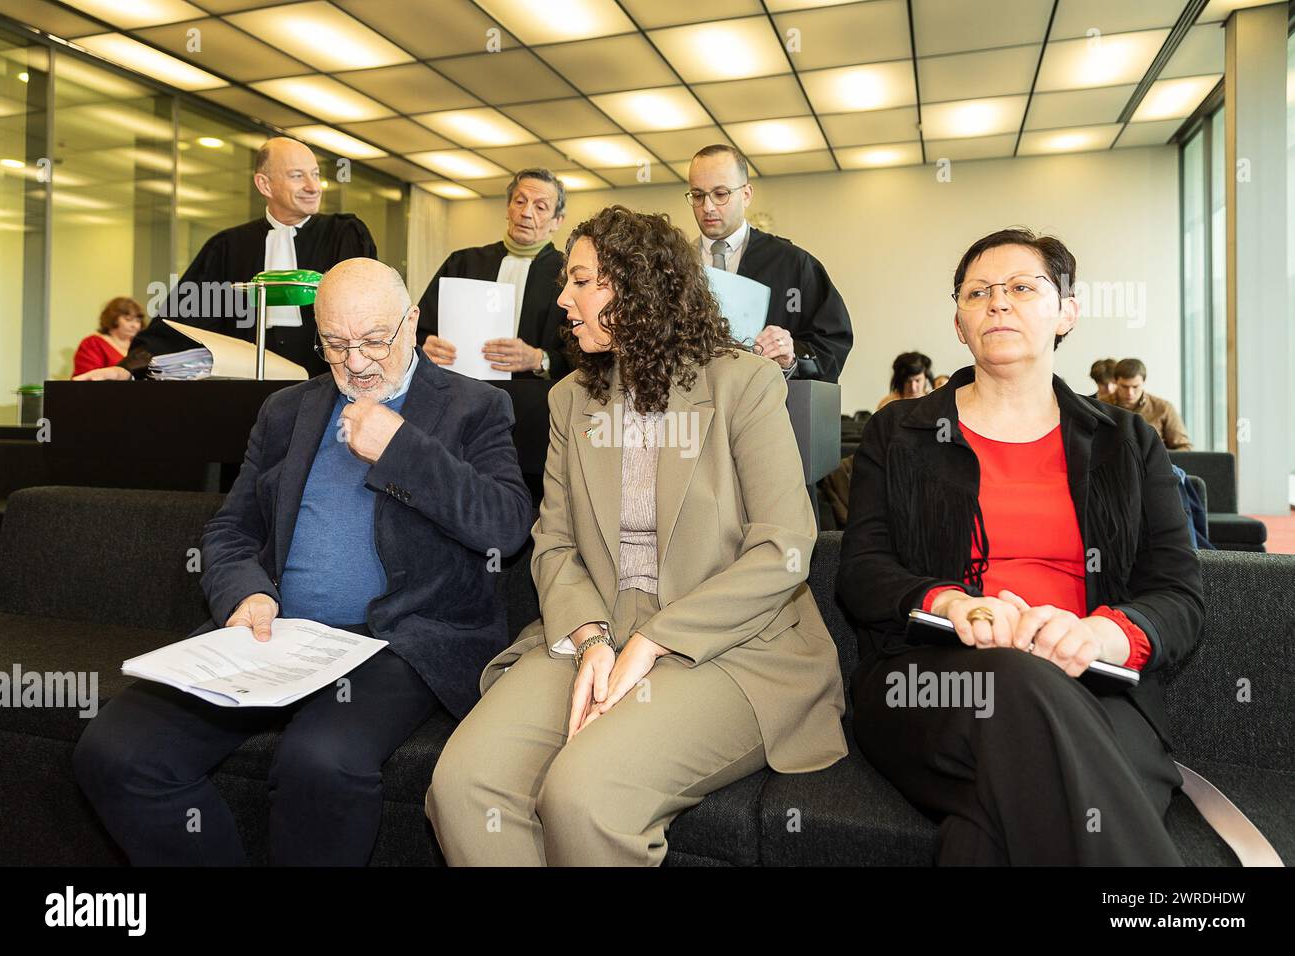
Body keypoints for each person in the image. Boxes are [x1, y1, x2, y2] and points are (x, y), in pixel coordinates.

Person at [73, 258, 533, 865]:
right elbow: (232, 528)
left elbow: (504, 525)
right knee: (116, 751)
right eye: (337, 345)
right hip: (274, 635)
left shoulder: (473, 406)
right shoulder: (287, 410)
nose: (358, 362)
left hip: (396, 642)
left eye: (374, 340)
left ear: (413, 321)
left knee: (321, 761)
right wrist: (245, 595)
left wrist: (399, 448)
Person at [426, 206, 847, 865]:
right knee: (461, 785)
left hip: (729, 647)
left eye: (583, 281)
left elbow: (784, 547)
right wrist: (592, 639)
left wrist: (653, 641)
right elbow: (555, 545)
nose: (562, 298)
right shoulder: (569, 399)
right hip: (591, 631)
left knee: (584, 796)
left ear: (642, 286)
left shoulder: (744, 382)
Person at [838, 227, 1204, 865]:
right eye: (978, 292)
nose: (997, 302)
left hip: (1094, 686)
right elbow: (862, 571)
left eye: (1021, 288)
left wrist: (1099, 634)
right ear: (959, 323)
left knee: (994, 825)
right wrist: (953, 605)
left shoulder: (1125, 442)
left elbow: (1178, 595)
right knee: (1015, 684)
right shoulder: (900, 432)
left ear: (1067, 310)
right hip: (931, 685)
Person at [113, 137, 377, 380]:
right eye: (297, 176)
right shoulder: (228, 246)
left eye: (315, 175)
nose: (313, 187)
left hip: (328, 390)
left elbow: (369, 316)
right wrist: (126, 369)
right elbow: (181, 322)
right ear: (265, 184)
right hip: (248, 393)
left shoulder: (345, 236)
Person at [686, 145, 852, 382]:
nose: (708, 207)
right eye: (698, 195)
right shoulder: (675, 265)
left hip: (765, 407)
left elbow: (832, 342)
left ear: (746, 194)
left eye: (720, 194)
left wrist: (793, 357)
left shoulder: (793, 264)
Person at [417, 168, 571, 380]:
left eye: (540, 207)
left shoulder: (568, 274)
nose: (526, 213)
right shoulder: (462, 263)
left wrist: (539, 359)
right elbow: (419, 331)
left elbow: (583, 354)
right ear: (508, 207)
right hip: (461, 392)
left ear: (557, 221)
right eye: (519, 202)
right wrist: (426, 348)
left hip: (532, 401)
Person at [1102, 357, 1192, 450]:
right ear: (1115, 382)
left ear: (1144, 382)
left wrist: (1161, 460)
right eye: (1124, 387)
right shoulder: (1101, 406)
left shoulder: (1163, 408)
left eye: (1135, 386)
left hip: (1155, 462)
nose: (1130, 393)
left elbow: (1185, 448)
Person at [73, 297, 145, 377]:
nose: (134, 325)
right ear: (112, 318)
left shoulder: (142, 346)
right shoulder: (93, 343)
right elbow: (87, 379)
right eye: (128, 319)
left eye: (138, 321)